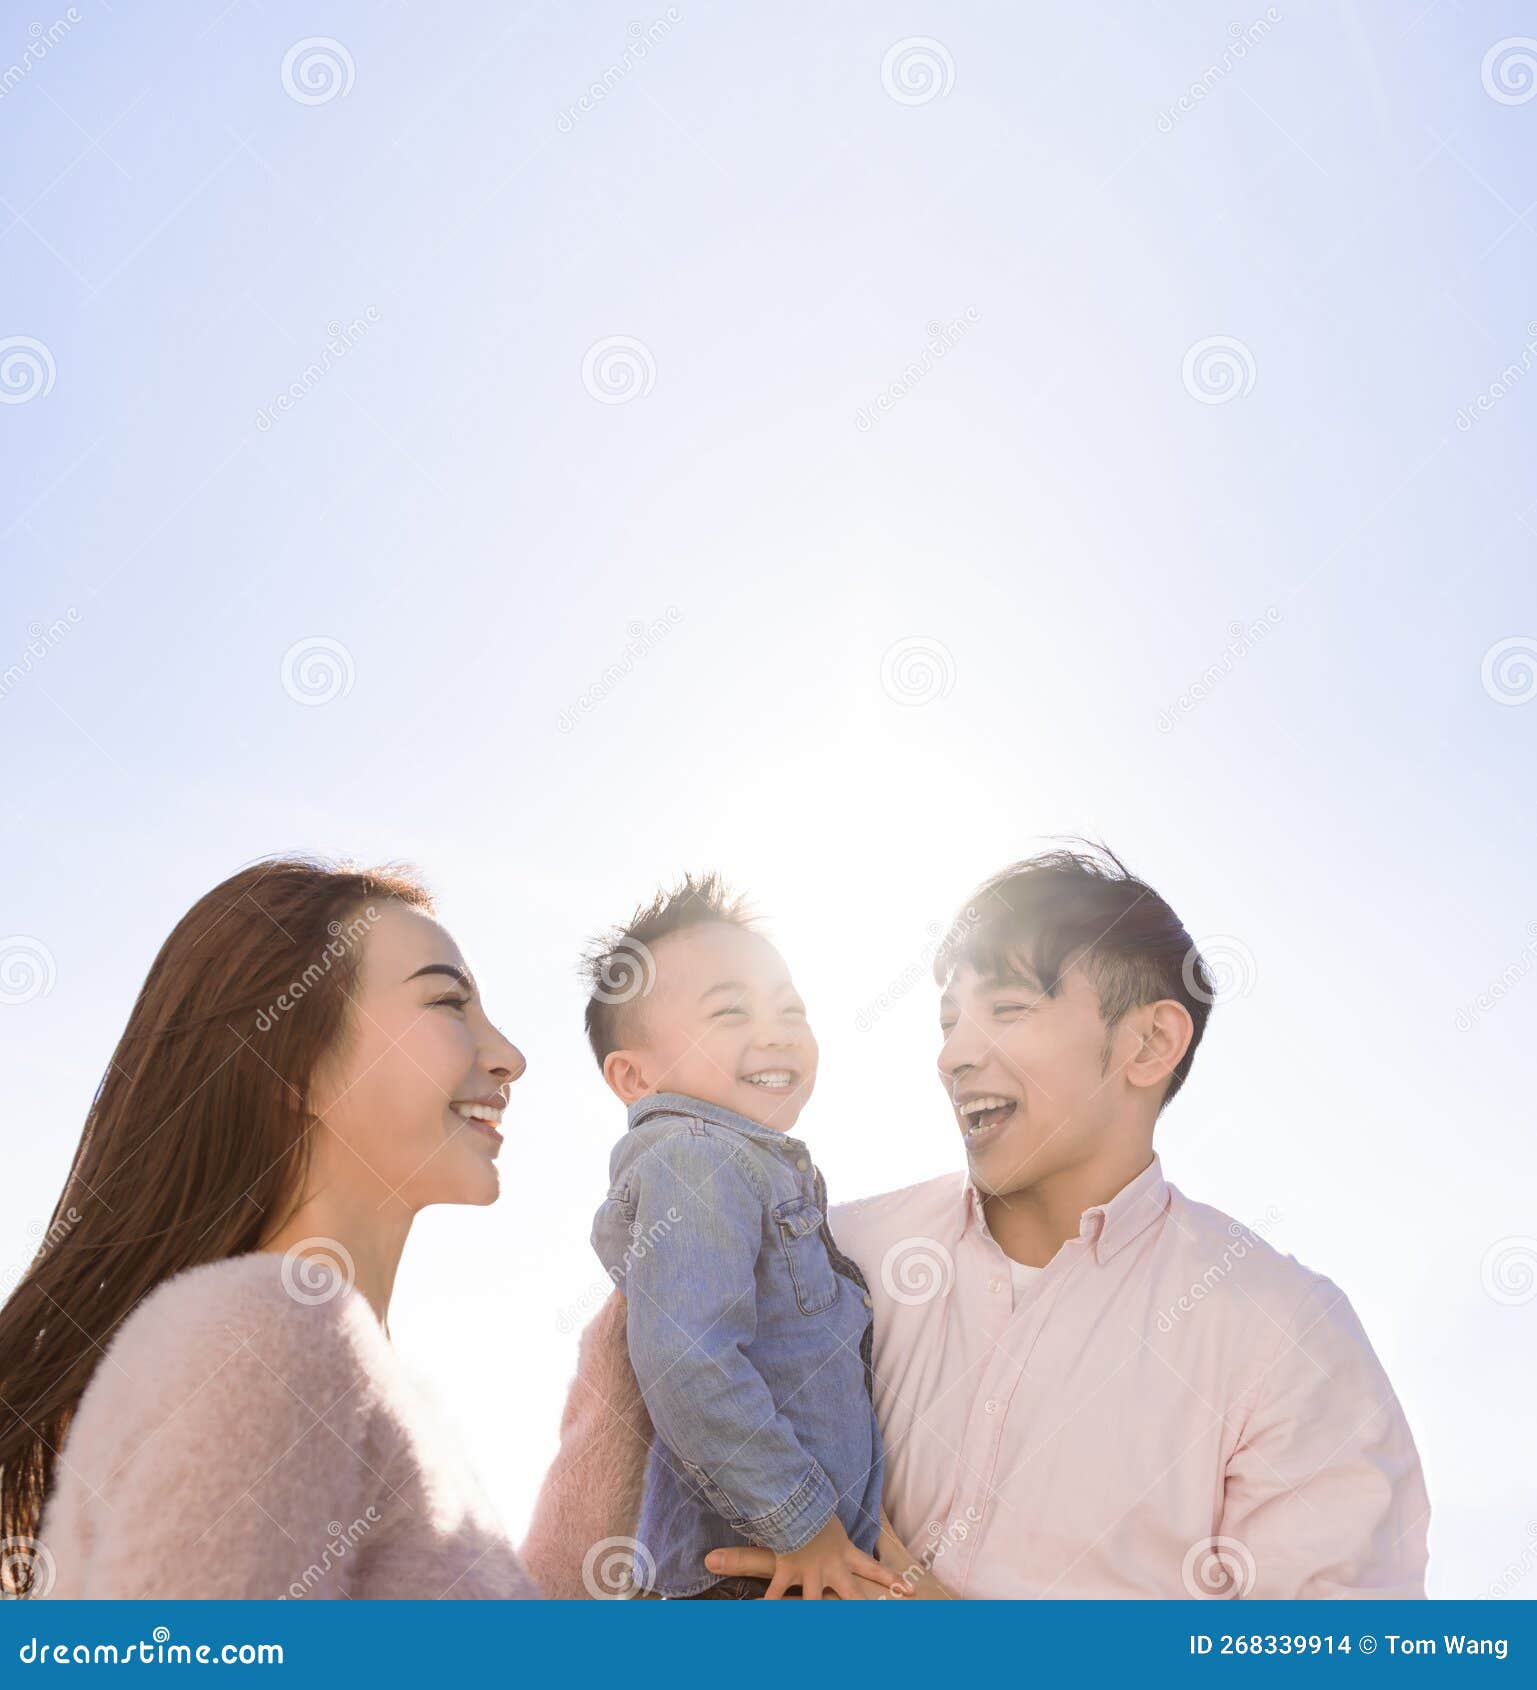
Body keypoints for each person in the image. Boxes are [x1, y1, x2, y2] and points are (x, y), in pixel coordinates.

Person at [523, 846, 1431, 1599]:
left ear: (1149, 1043)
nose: (954, 1054)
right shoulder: (816, 1253)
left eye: (1007, 1010)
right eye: (948, 1019)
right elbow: (569, 1559)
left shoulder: (1286, 1335)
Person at [0, 856, 539, 1600]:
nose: (510, 1057)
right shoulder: (272, 1339)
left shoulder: (360, 1380)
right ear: (295, 1064)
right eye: (449, 1002)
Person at [582, 874, 897, 1599]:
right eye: (731, 1011)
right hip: (746, 1576)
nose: (777, 1031)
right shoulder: (696, 1159)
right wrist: (803, 1525)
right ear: (634, 1075)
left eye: (791, 1008)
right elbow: (687, 1359)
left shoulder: (747, 1168)